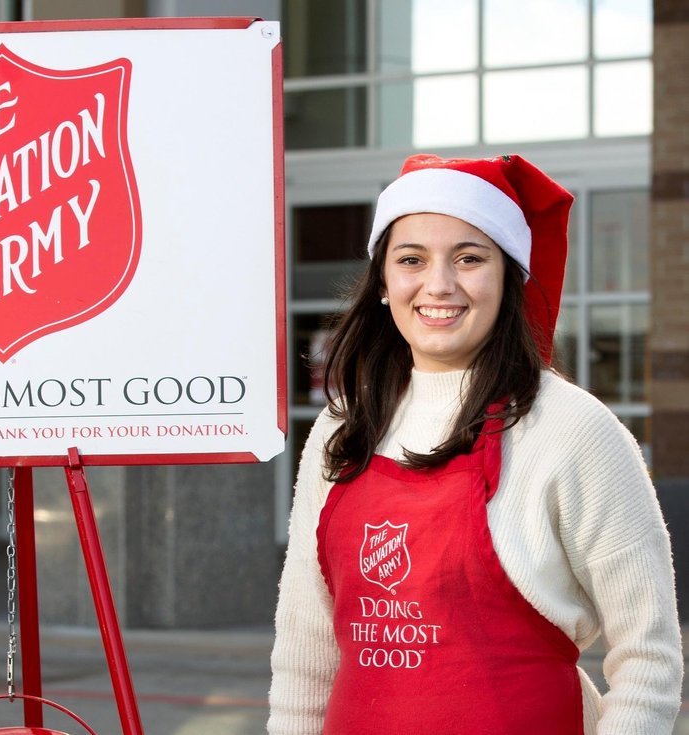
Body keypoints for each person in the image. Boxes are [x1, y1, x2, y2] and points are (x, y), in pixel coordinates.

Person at [267, 154, 683, 734]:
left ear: (509, 276)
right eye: (411, 259)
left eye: (469, 258)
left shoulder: (573, 429)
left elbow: (649, 658)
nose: (438, 285)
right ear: (383, 282)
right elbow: (303, 652)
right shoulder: (344, 428)